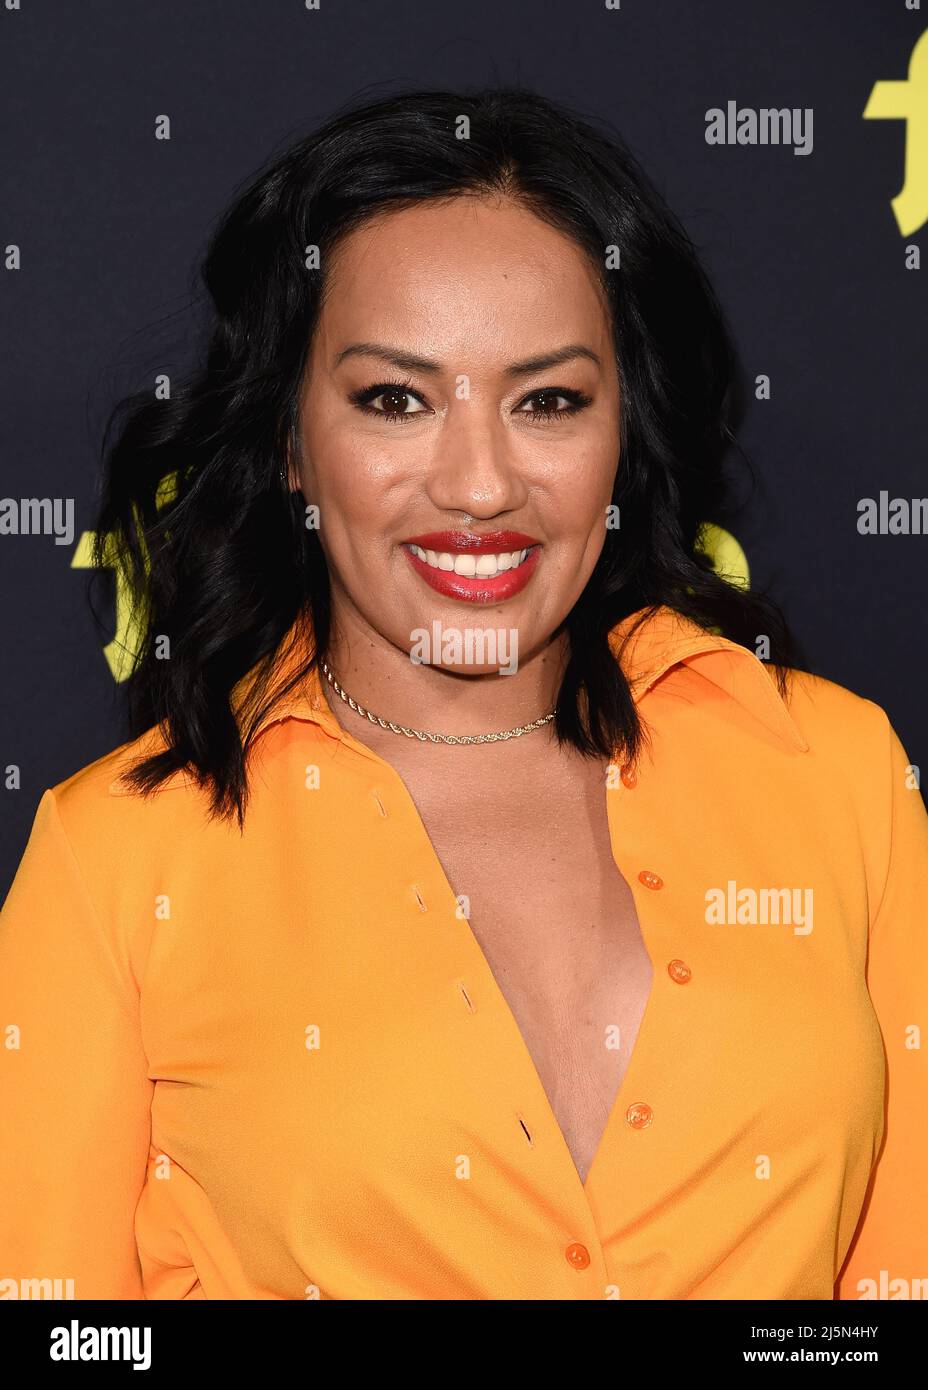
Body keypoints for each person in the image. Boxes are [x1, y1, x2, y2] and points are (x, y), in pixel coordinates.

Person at [1, 86, 925, 1302]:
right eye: (396, 399)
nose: (481, 483)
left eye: (548, 399)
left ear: (622, 432)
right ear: (292, 442)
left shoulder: (838, 770)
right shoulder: (114, 859)